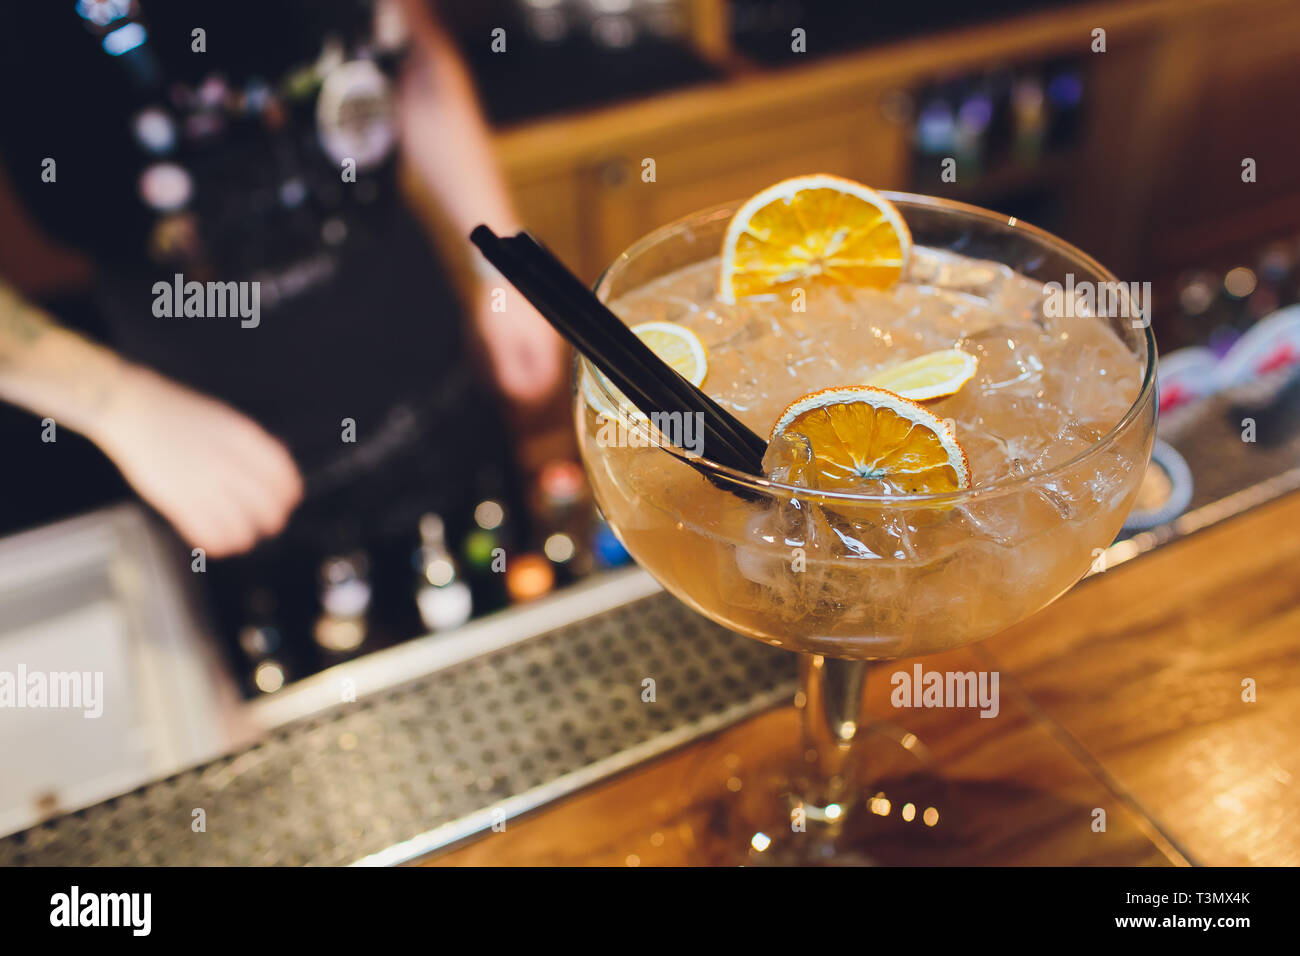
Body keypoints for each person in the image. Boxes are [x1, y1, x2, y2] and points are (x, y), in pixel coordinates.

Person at [0, 0, 565, 561]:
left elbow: (411, 46)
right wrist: (115, 405)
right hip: (211, 464)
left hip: (436, 383)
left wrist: (499, 265)